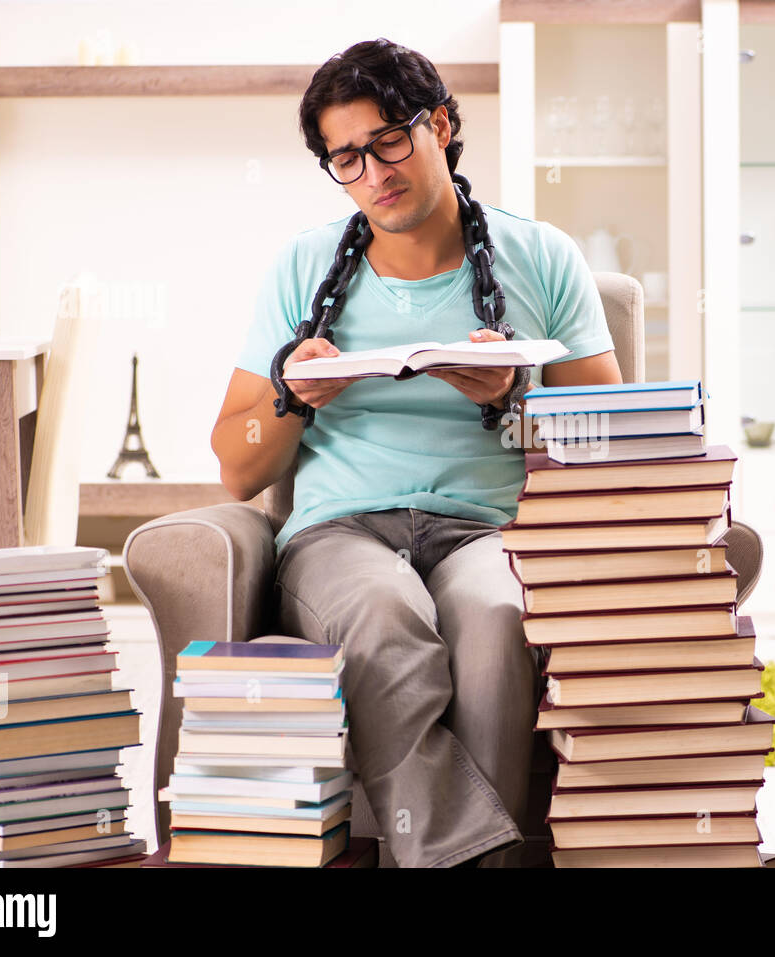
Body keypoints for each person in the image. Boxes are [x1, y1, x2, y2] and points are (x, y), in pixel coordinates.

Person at [210, 38, 623, 868]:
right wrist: (293, 398)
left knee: (499, 619)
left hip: (487, 531)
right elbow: (238, 462)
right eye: (347, 159)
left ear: (439, 124)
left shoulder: (540, 256)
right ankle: (478, 858)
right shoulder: (302, 267)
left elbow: (612, 442)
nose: (373, 174)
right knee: (384, 616)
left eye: (388, 140)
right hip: (342, 535)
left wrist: (514, 398)